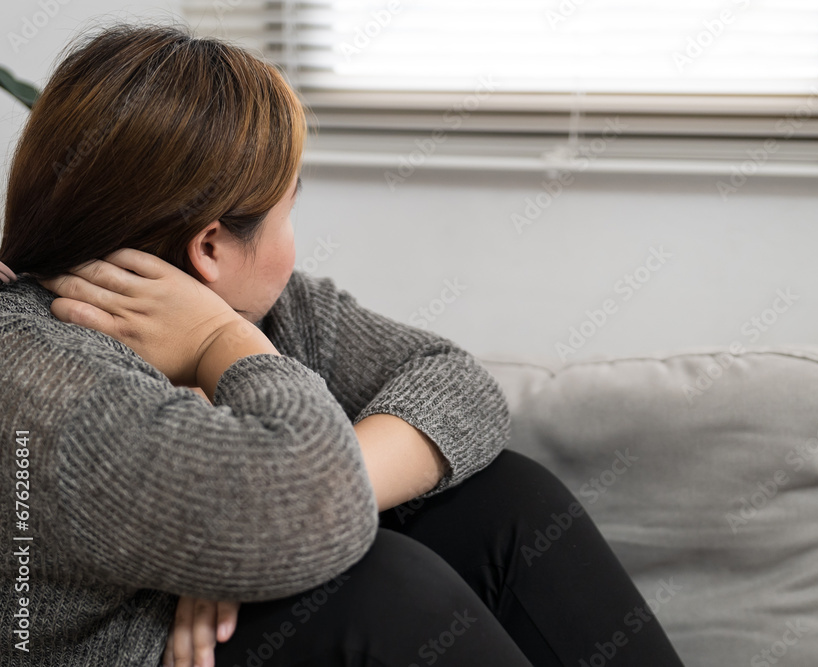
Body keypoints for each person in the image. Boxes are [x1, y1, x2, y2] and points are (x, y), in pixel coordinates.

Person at [0, 21, 687, 667]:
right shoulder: (37, 377)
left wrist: (269, 525)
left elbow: (454, 381)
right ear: (209, 247)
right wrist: (220, 342)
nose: (293, 239)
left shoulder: (275, 307)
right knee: (383, 588)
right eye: (289, 209)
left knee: (507, 501)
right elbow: (308, 501)